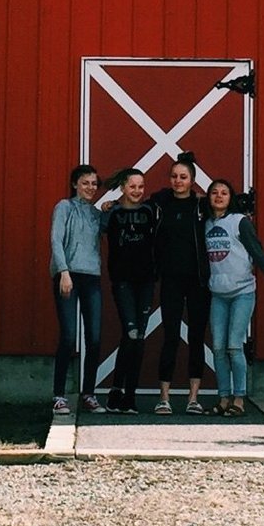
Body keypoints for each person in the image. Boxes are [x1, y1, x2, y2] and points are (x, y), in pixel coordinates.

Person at [203, 177, 264, 414]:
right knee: (218, 347)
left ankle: (239, 399)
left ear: (231, 198)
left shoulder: (239, 222)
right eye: (214, 193)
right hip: (218, 294)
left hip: (242, 292)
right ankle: (223, 398)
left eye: (224, 192)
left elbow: (258, 254)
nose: (219, 196)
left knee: (234, 345)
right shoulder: (207, 224)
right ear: (208, 198)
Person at [150, 153, 210, 414]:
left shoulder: (201, 207)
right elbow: (136, 203)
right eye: (174, 176)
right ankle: (164, 397)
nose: (178, 181)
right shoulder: (161, 203)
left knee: (196, 337)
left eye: (183, 177)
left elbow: (228, 209)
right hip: (171, 280)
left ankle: (193, 398)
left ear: (193, 181)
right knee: (171, 337)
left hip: (197, 281)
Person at [100, 166, 160, 412]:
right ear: (123, 187)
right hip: (122, 281)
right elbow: (92, 231)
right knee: (132, 332)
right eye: (132, 186)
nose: (137, 191)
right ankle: (117, 389)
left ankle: (127, 396)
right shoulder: (111, 212)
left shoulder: (150, 211)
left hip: (146, 280)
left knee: (137, 337)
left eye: (141, 186)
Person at [50, 163, 106, 415]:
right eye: (85, 183)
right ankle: (59, 395)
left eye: (94, 184)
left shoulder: (96, 214)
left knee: (94, 338)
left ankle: (89, 394)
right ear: (75, 184)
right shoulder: (64, 207)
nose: (90, 188)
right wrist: (63, 271)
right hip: (68, 276)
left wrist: (108, 210)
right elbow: (56, 239)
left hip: (91, 276)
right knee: (69, 336)